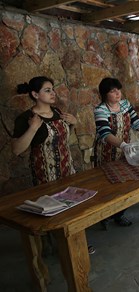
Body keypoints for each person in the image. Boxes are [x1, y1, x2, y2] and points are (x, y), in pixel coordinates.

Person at [11, 76, 95, 255]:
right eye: (47, 90)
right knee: (53, 210)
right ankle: (59, 247)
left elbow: (63, 139)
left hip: (67, 169)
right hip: (45, 175)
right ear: (35, 94)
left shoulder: (57, 112)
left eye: (53, 89)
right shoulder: (26, 118)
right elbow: (17, 149)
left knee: (73, 206)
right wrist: (33, 128)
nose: (52, 93)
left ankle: (77, 243)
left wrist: (73, 124)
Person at [94, 77, 139, 230]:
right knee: (108, 184)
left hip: (125, 150)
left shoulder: (125, 104)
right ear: (104, 94)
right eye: (112, 91)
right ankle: (104, 215)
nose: (117, 94)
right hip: (106, 152)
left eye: (118, 90)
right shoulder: (100, 110)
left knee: (125, 182)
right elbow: (105, 133)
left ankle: (119, 214)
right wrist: (123, 145)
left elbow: (137, 122)